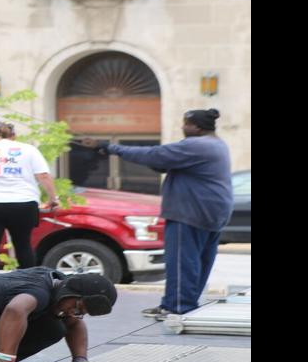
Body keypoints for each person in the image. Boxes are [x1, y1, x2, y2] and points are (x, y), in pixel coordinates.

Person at [79, 107, 232, 319]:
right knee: (198, 262)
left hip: (190, 212)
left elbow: (154, 155)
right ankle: (181, 303)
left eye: (185, 124)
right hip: (212, 211)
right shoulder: (216, 144)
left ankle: (178, 306)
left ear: (196, 127)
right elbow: (161, 162)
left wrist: (108, 147)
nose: (182, 127)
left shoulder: (196, 145)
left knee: (182, 262)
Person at [0, 121, 57, 274]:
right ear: (14, 136)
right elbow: (43, 175)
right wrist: (53, 199)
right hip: (23, 203)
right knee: (23, 244)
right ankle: (29, 281)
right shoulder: (29, 149)